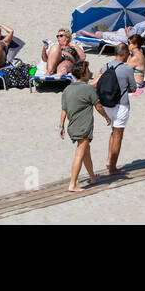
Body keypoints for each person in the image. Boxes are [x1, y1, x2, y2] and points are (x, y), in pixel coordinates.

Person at [59, 60, 111, 192]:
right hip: (83, 126)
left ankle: (92, 177)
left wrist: (61, 126)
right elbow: (98, 105)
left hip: (72, 126)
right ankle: (72, 184)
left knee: (86, 152)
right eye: (88, 71)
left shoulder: (67, 89)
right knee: (79, 154)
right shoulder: (88, 89)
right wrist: (106, 117)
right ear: (83, 73)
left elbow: (64, 109)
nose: (89, 72)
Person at [101, 44, 135, 176]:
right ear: (125, 53)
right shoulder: (126, 68)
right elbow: (133, 87)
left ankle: (110, 159)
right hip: (121, 104)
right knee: (118, 135)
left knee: (113, 132)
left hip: (106, 104)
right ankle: (113, 167)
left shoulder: (106, 66)